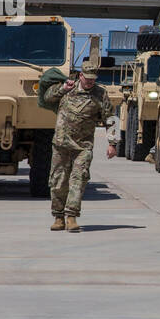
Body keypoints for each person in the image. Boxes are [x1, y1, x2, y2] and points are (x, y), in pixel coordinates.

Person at [45, 64, 115, 232]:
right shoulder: (66, 88)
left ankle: (71, 217)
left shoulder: (100, 94)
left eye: (93, 79)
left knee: (78, 180)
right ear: (80, 76)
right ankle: (58, 216)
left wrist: (112, 144)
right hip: (61, 144)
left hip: (83, 147)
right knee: (58, 182)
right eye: (87, 78)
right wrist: (62, 89)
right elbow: (47, 98)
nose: (90, 81)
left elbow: (110, 118)